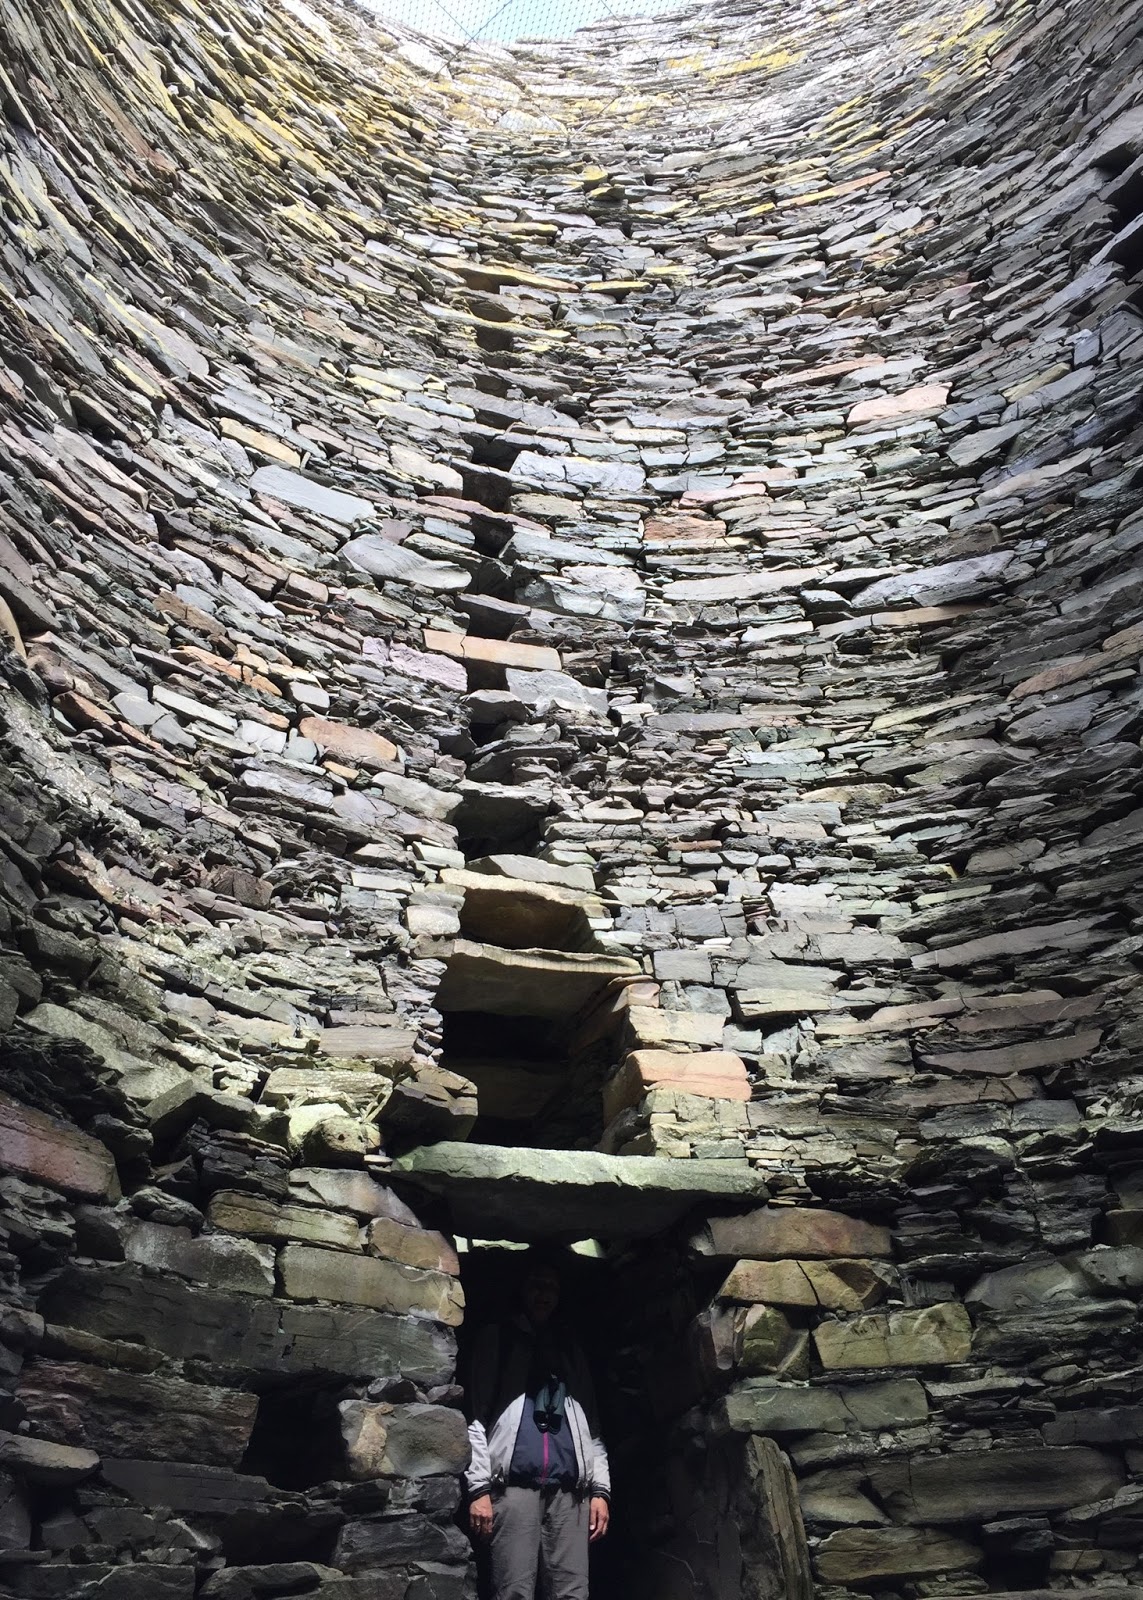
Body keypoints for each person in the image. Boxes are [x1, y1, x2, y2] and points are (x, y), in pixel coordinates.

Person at [464, 1250, 610, 1600]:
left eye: (551, 1288)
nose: (543, 1294)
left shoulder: (570, 1351)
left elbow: (593, 1428)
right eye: (536, 1285)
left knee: (572, 1593)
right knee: (513, 1590)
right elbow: (475, 1419)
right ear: (521, 1289)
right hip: (513, 1489)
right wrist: (479, 1489)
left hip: (569, 1494)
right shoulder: (497, 1341)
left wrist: (600, 1491)